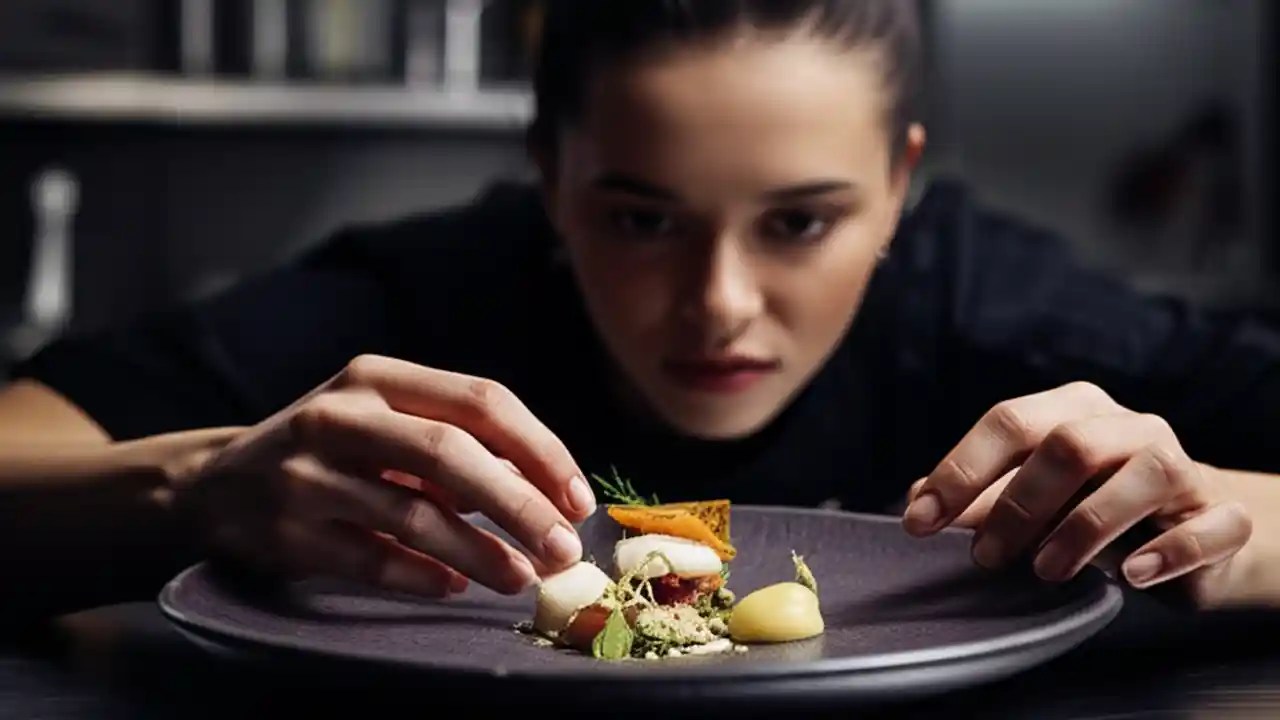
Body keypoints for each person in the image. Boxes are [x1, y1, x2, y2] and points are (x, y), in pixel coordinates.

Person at [3, 0, 1280, 625]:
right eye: (639, 219)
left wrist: (1216, 526)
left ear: (898, 182)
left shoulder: (994, 305)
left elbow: (1230, 506)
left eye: (800, 222)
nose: (719, 308)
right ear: (550, 181)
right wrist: (189, 493)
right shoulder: (422, 298)